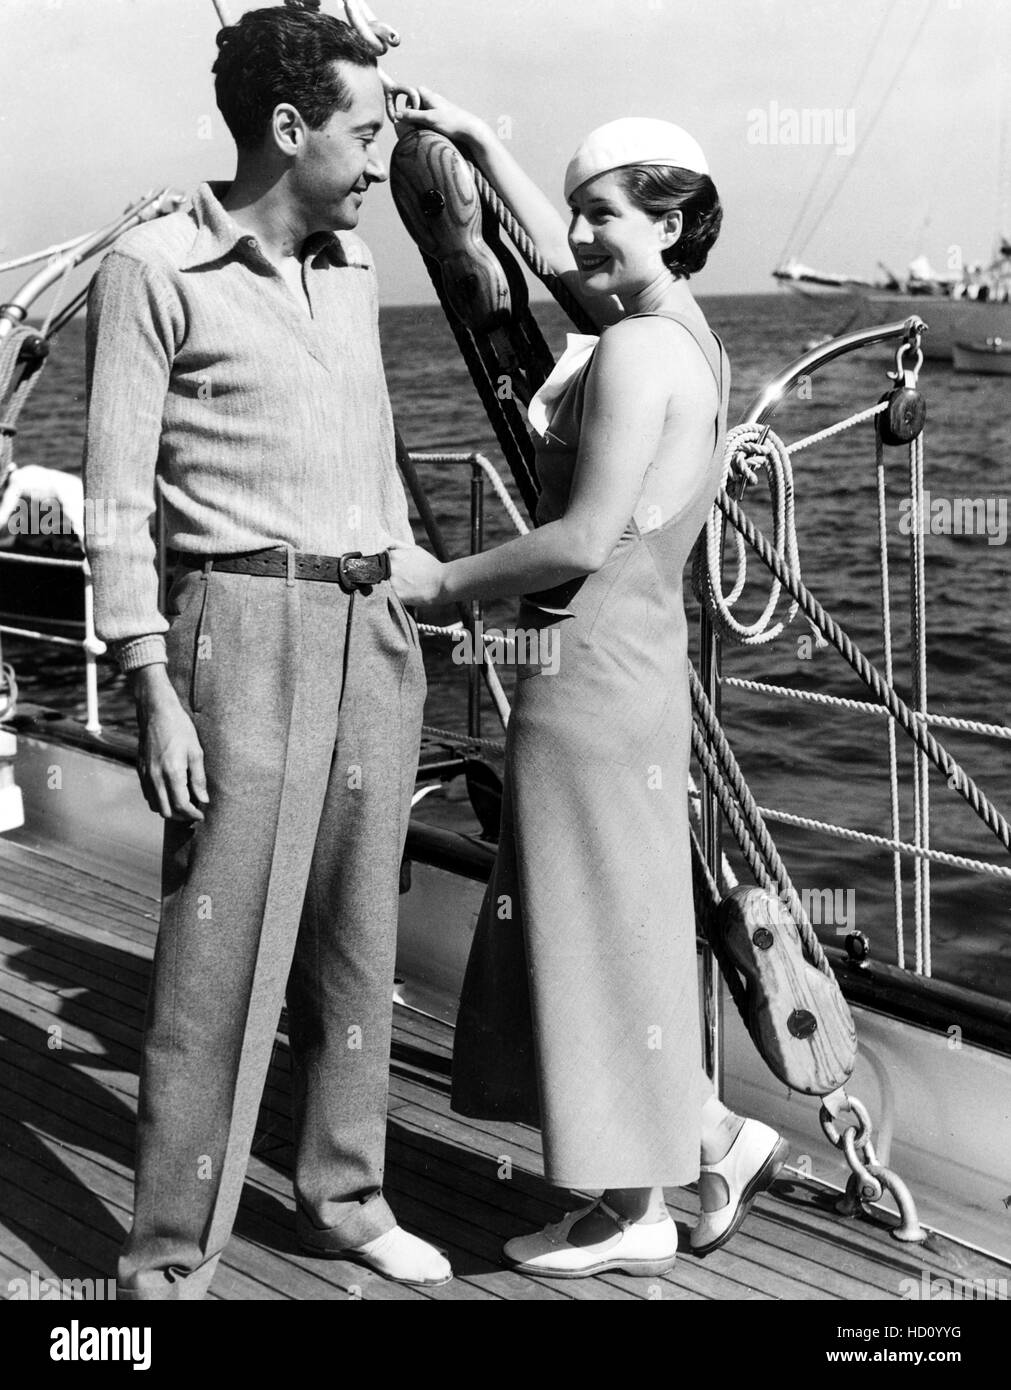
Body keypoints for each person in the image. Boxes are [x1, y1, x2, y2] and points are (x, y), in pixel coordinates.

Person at [82, 4, 451, 1298]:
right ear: (287, 130)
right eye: (365, 127)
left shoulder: (352, 271)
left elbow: (373, 451)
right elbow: (117, 503)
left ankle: (344, 1192)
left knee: (359, 938)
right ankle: (167, 1260)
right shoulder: (152, 270)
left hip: (370, 628)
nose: (382, 150)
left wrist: (407, 579)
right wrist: (149, 685)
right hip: (233, 630)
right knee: (216, 962)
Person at [391, 94, 788, 1277]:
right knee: (624, 920)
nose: (583, 234)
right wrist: (473, 135)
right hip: (638, 667)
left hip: (585, 668)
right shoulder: (689, 338)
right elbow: (559, 256)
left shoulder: (627, 352)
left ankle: (631, 1211)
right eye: (578, 212)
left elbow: (577, 539)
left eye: (607, 214)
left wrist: (442, 579)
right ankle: (713, 1135)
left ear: (670, 221)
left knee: (585, 927)